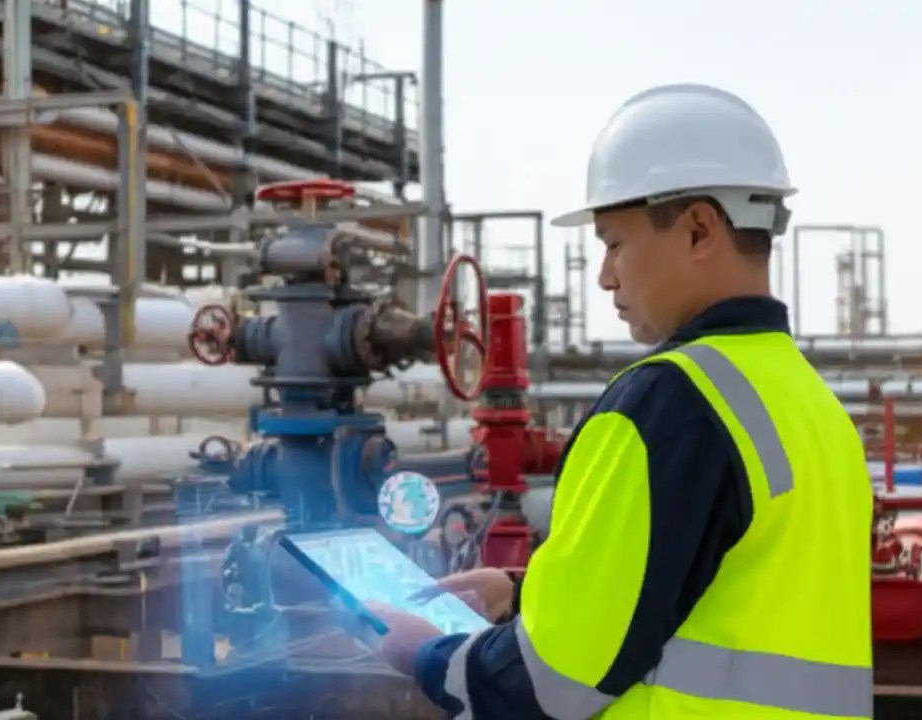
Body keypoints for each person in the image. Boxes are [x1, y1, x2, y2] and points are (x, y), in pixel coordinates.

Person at [371, 83, 875, 719]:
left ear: (698, 229)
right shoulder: (811, 406)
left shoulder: (671, 403)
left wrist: (431, 656)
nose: (606, 275)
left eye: (613, 243)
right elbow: (725, 600)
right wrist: (523, 596)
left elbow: (549, 686)